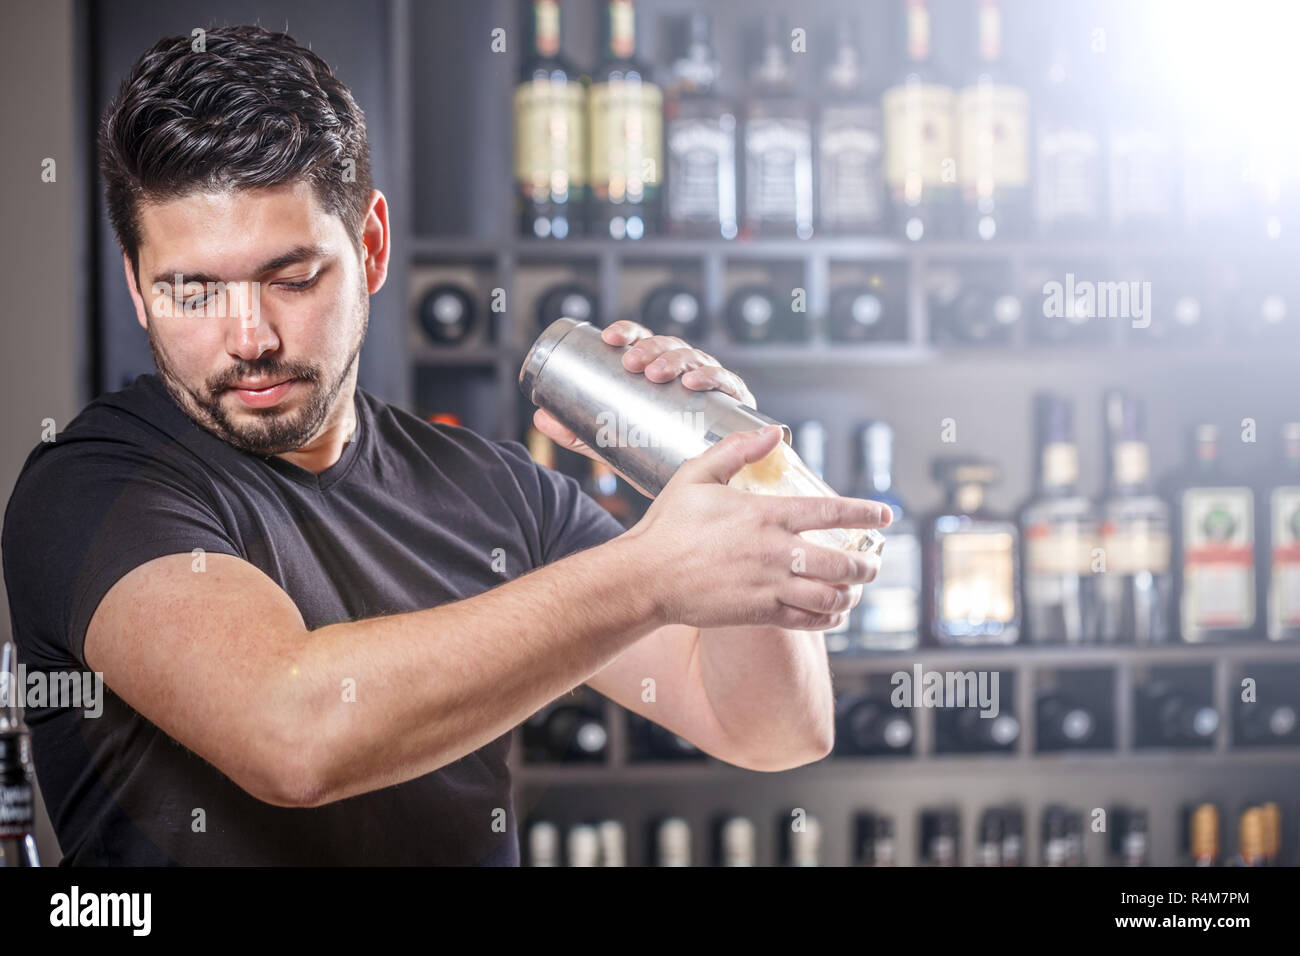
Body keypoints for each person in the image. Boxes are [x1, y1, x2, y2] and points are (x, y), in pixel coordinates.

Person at [1, 25, 887, 865]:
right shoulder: (92, 490)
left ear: (373, 246)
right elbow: (293, 734)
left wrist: (726, 487)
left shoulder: (493, 492)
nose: (249, 337)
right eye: (191, 292)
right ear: (137, 285)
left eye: (293, 277)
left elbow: (771, 730)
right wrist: (652, 574)